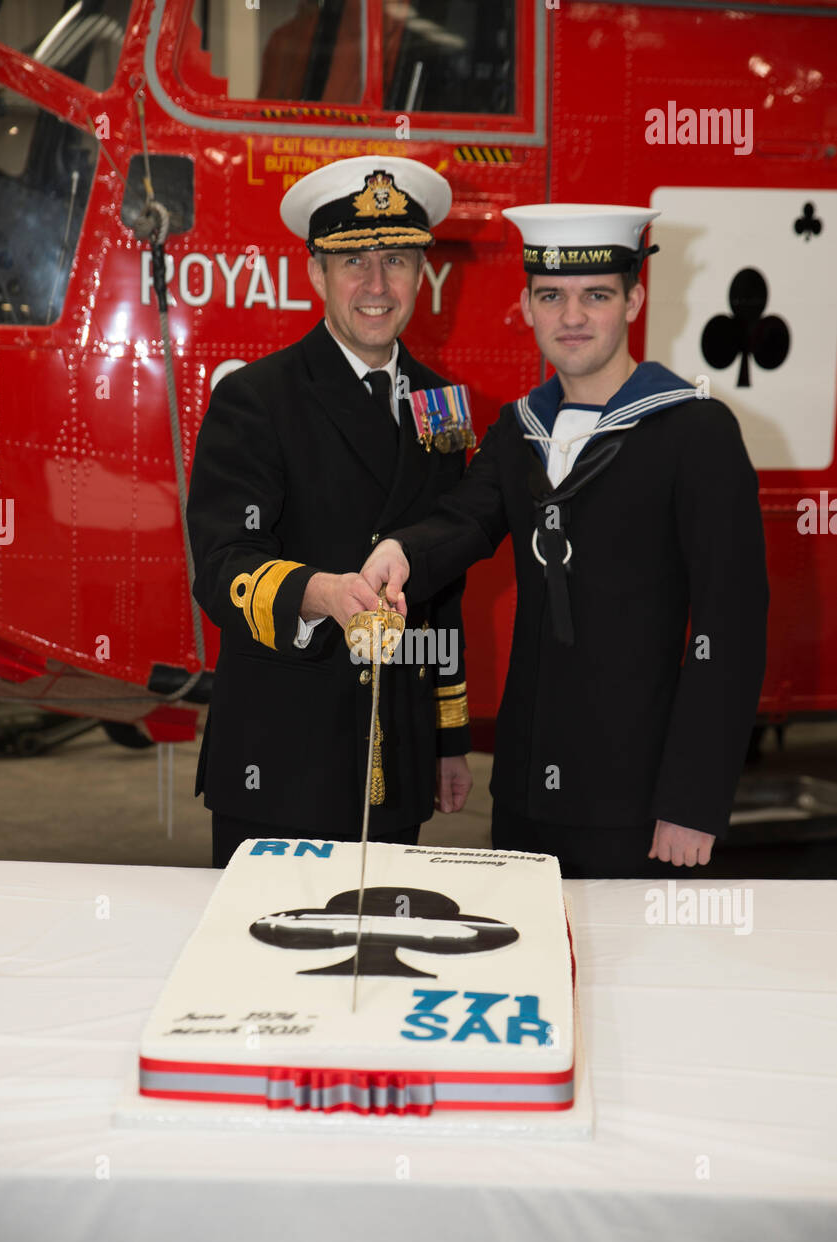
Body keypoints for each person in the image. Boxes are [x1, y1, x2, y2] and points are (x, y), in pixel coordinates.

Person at [361, 205, 769, 876]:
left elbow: (729, 627)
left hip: (635, 797)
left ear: (634, 299)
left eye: (596, 296)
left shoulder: (694, 433)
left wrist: (692, 800)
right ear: (525, 305)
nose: (571, 316)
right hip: (524, 789)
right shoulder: (520, 427)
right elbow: (464, 519)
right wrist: (402, 551)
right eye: (550, 296)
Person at [187, 157, 473, 869]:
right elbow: (222, 566)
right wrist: (323, 594)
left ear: (420, 273)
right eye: (353, 262)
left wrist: (448, 737)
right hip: (281, 757)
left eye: (397, 260)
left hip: (396, 754)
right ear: (314, 273)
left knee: (382, 964)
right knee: (267, 968)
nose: (377, 286)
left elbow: (446, 586)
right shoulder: (257, 399)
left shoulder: (442, 404)